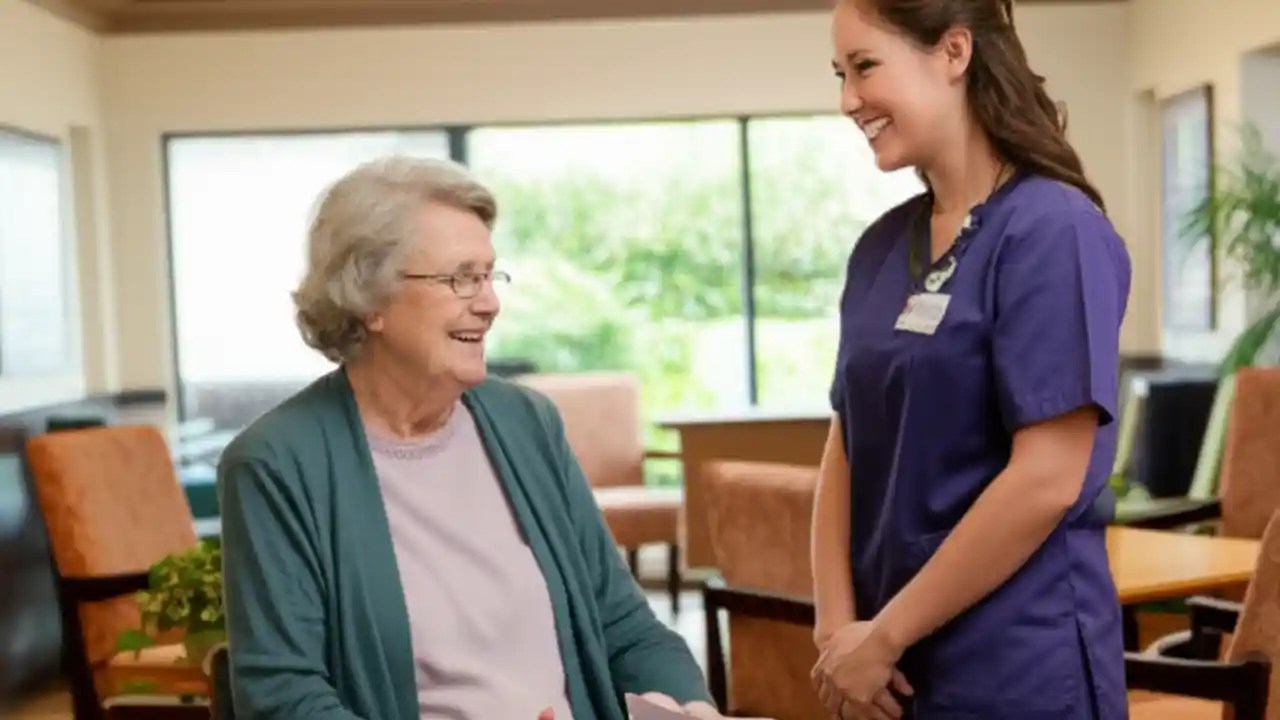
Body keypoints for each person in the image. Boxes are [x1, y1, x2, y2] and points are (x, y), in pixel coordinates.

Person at [216, 156, 743, 720]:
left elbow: (623, 624)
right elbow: (283, 696)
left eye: (489, 275)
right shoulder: (275, 463)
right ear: (370, 299)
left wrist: (690, 706)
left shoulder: (525, 424)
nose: (489, 302)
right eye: (460, 278)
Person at [809, 0, 1130, 719]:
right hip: (886, 674)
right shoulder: (880, 249)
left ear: (954, 53)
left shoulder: (1055, 231)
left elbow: (1047, 478)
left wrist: (884, 636)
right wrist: (839, 635)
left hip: (1016, 667)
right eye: (839, 73)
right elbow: (846, 442)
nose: (846, 100)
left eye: (864, 67)